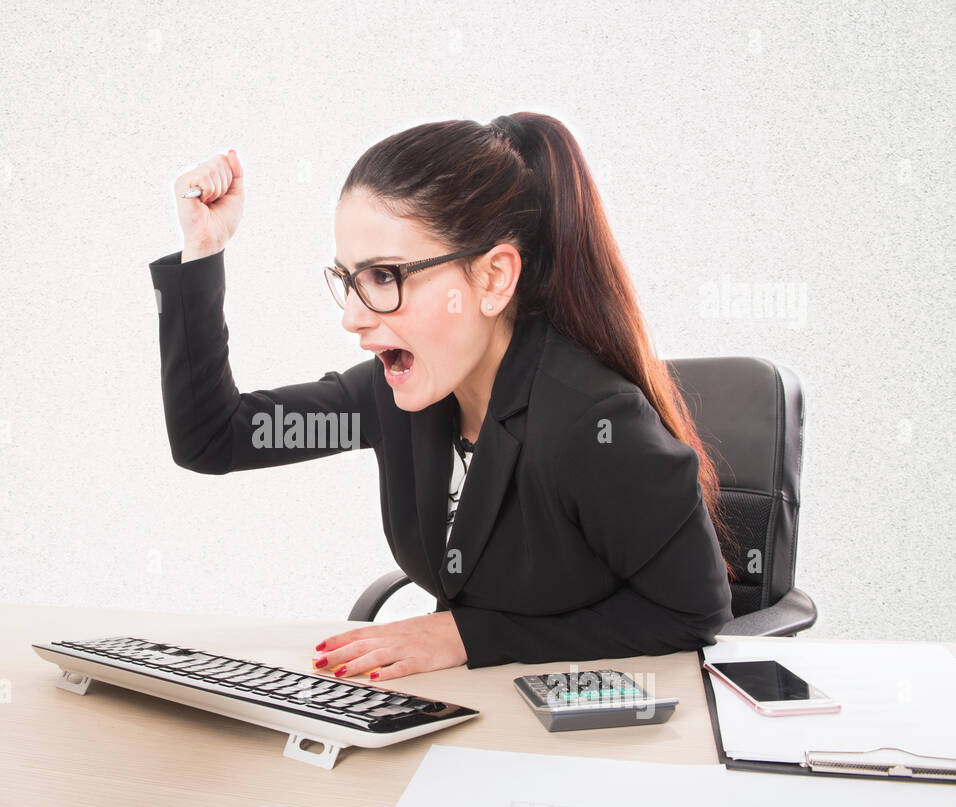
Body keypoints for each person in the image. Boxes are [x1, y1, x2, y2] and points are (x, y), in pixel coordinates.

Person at [148, 112, 735, 681]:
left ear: (493, 279)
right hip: (469, 710)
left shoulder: (597, 425)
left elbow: (693, 619)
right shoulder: (394, 396)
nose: (352, 317)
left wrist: (468, 635)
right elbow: (214, 437)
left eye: (384, 277)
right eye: (348, 280)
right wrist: (203, 250)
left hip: (590, 739)